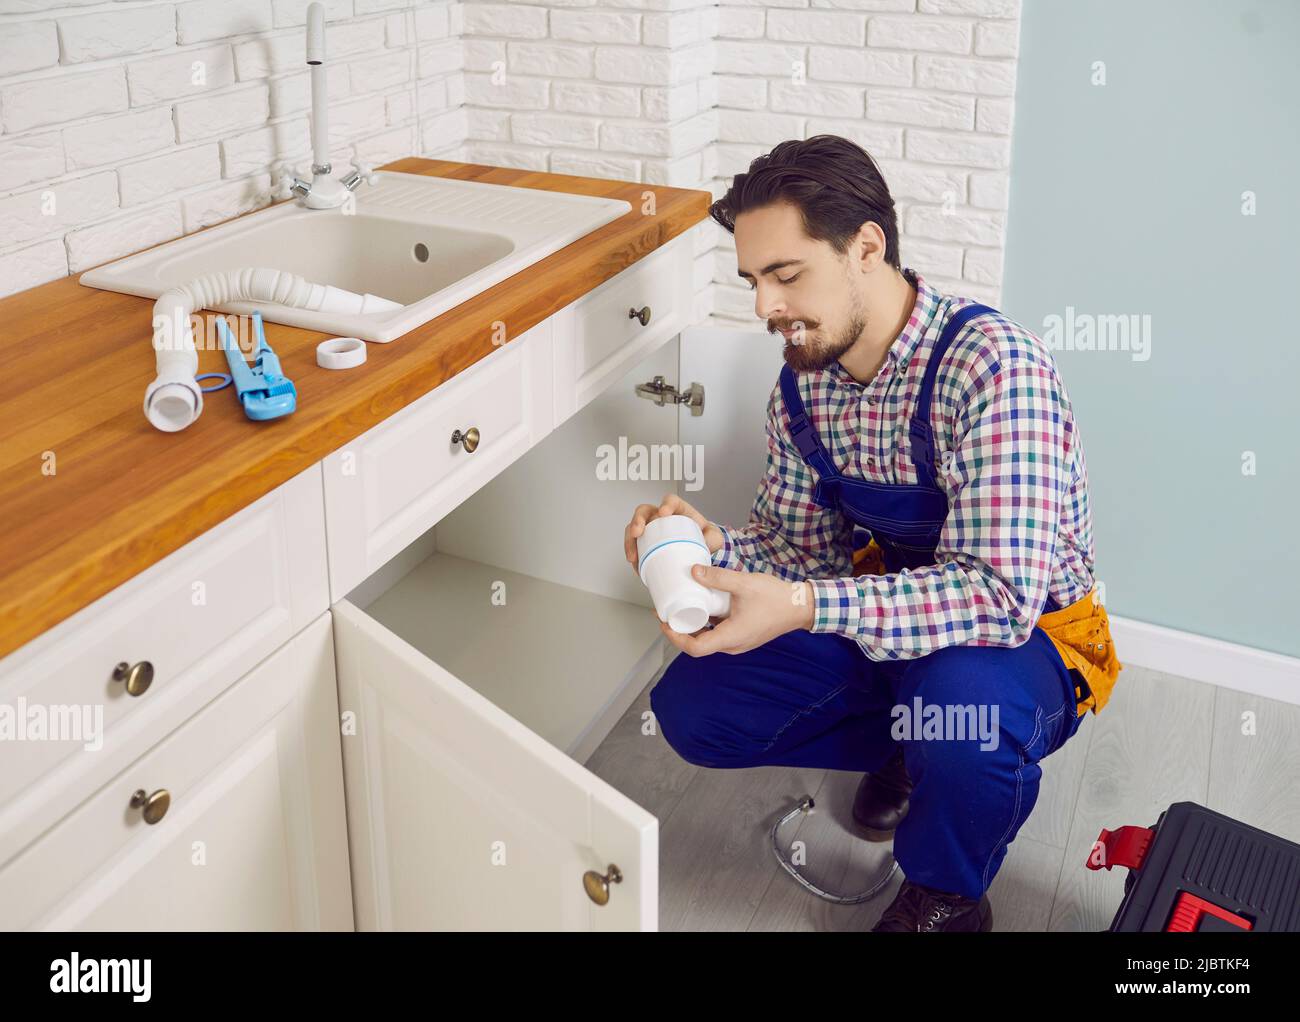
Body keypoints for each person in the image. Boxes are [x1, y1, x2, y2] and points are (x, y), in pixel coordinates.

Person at [622, 135, 1122, 932]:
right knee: (695, 706)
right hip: (890, 621)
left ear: (866, 248)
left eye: (786, 275)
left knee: (964, 712)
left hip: (1024, 643)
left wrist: (806, 605)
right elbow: (802, 555)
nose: (764, 307)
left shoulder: (994, 368)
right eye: (753, 280)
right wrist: (716, 550)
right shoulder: (804, 388)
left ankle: (947, 893)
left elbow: (998, 599)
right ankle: (908, 743)